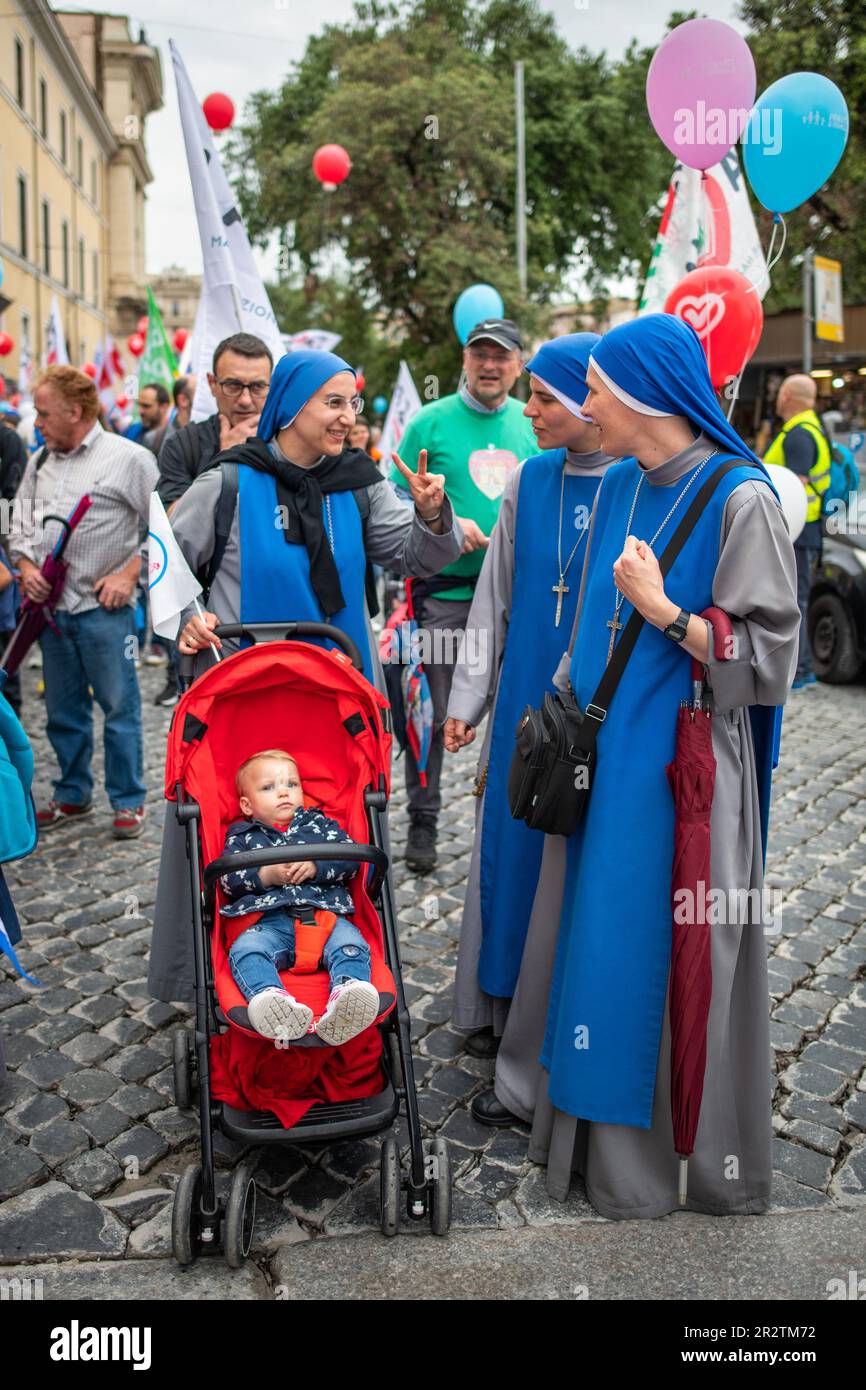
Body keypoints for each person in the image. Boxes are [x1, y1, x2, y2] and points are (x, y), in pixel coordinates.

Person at [493, 314, 799, 1219]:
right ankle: (580, 1138)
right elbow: (590, 616)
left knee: (660, 950)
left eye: (594, 389)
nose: (583, 404)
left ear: (641, 398)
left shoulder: (740, 498)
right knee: (592, 937)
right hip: (605, 758)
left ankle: (660, 1171)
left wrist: (666, 612)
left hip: (681, 772)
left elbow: (770, 657)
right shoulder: (624, 481)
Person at [148, 349, 463, 1002]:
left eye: (353, 403)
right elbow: (167, 564)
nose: (349, 417)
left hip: (337, 704)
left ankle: (342, 964)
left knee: (343, 827)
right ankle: (224, 973)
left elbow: (411, 554)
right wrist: (187, 616)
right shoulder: (229, 482)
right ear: (291, 406)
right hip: (248, 707)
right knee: (231, 833)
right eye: (334, 402)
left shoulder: (361, 482)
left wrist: (434, 514)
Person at [443, 333, 620, 1071]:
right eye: (533, 395)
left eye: (545, 397)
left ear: (590, 400)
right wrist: (468, 697)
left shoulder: (636, 482)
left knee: (570, 856)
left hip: (593, 710)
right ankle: (497, 998)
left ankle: (556, 1019)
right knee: (511, 846)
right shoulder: (528, 478)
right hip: (523, 696)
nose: (530, 409)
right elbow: (494, 601)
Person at [388, 318, 537, 873]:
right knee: (433, 714)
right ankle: (422, 821)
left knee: (521, 710)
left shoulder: (532, 423)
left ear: (519, 364)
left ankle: (510, 822)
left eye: (503, 356)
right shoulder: (428, 423)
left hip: (519, 600)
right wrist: (448, 521)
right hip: (447, 597)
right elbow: (392, 504)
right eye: (481, 354)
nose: (491, 365)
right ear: (466, 359)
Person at [6, 366, 158, 837]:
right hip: (52, 614)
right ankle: (73, 793)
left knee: (119, 708)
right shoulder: (39, 462)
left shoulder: (129, 458)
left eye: (45, 413)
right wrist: (27, 568)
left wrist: (129, 573)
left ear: (75, 411)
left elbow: (167, 527)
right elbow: (20, 526)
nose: (38, 421)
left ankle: (128, 799)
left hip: (105, 610)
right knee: (62, 711)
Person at [220, 748, 380, 1045]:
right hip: (270, 923)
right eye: (269, 787)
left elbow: (351, 861)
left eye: (291, 785)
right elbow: (227, 881)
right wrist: (266, 874)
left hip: (326, 917)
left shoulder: (320, 826)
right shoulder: (242, 836)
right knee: (247, 948)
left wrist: (318, 865)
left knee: (351, 944)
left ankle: (348, 993)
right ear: (246, 804)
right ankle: (271, 999)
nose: (283, 792)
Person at [762, 374, 830, 690]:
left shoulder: (798, 435)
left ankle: (799, 670)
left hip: (797, 532)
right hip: (805, 531)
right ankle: (800, 668)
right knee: (796, 599)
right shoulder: (812, 428)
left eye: (779, 392)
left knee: (794, 602)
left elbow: (793, 487)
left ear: (787, 395)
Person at [156, 334, 273, 510]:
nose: (245, 400)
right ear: (212, 384)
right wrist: (224, 463)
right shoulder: (184, 443)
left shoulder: (289, 440)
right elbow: (173, 521)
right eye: (233, 385)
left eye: (257, 387)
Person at [138, 382, 172, 456]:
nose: (140, 411)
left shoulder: (173, 439)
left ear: (164, 407)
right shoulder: (133, 430)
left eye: (146, 406)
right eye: (139, 405)